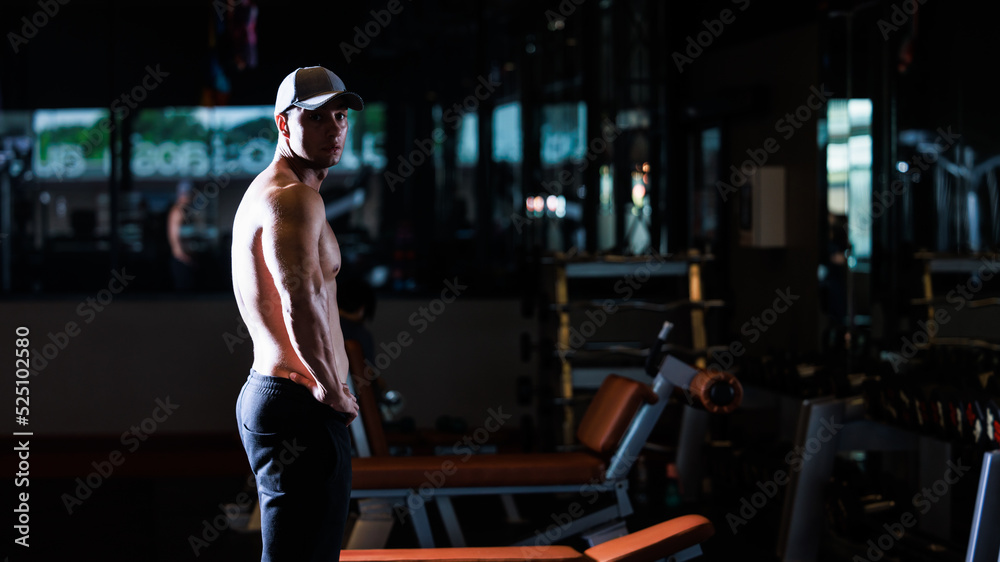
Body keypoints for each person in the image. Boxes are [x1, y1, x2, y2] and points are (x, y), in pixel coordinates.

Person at [231, 65, 364, 562]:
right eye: (317, 118)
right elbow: (300, 301)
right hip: (301, 400)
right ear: (284, 125)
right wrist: (332, 389)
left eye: (341, 116)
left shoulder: (271, 192)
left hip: (280, 396)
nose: (335, 128)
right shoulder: (294, 198)